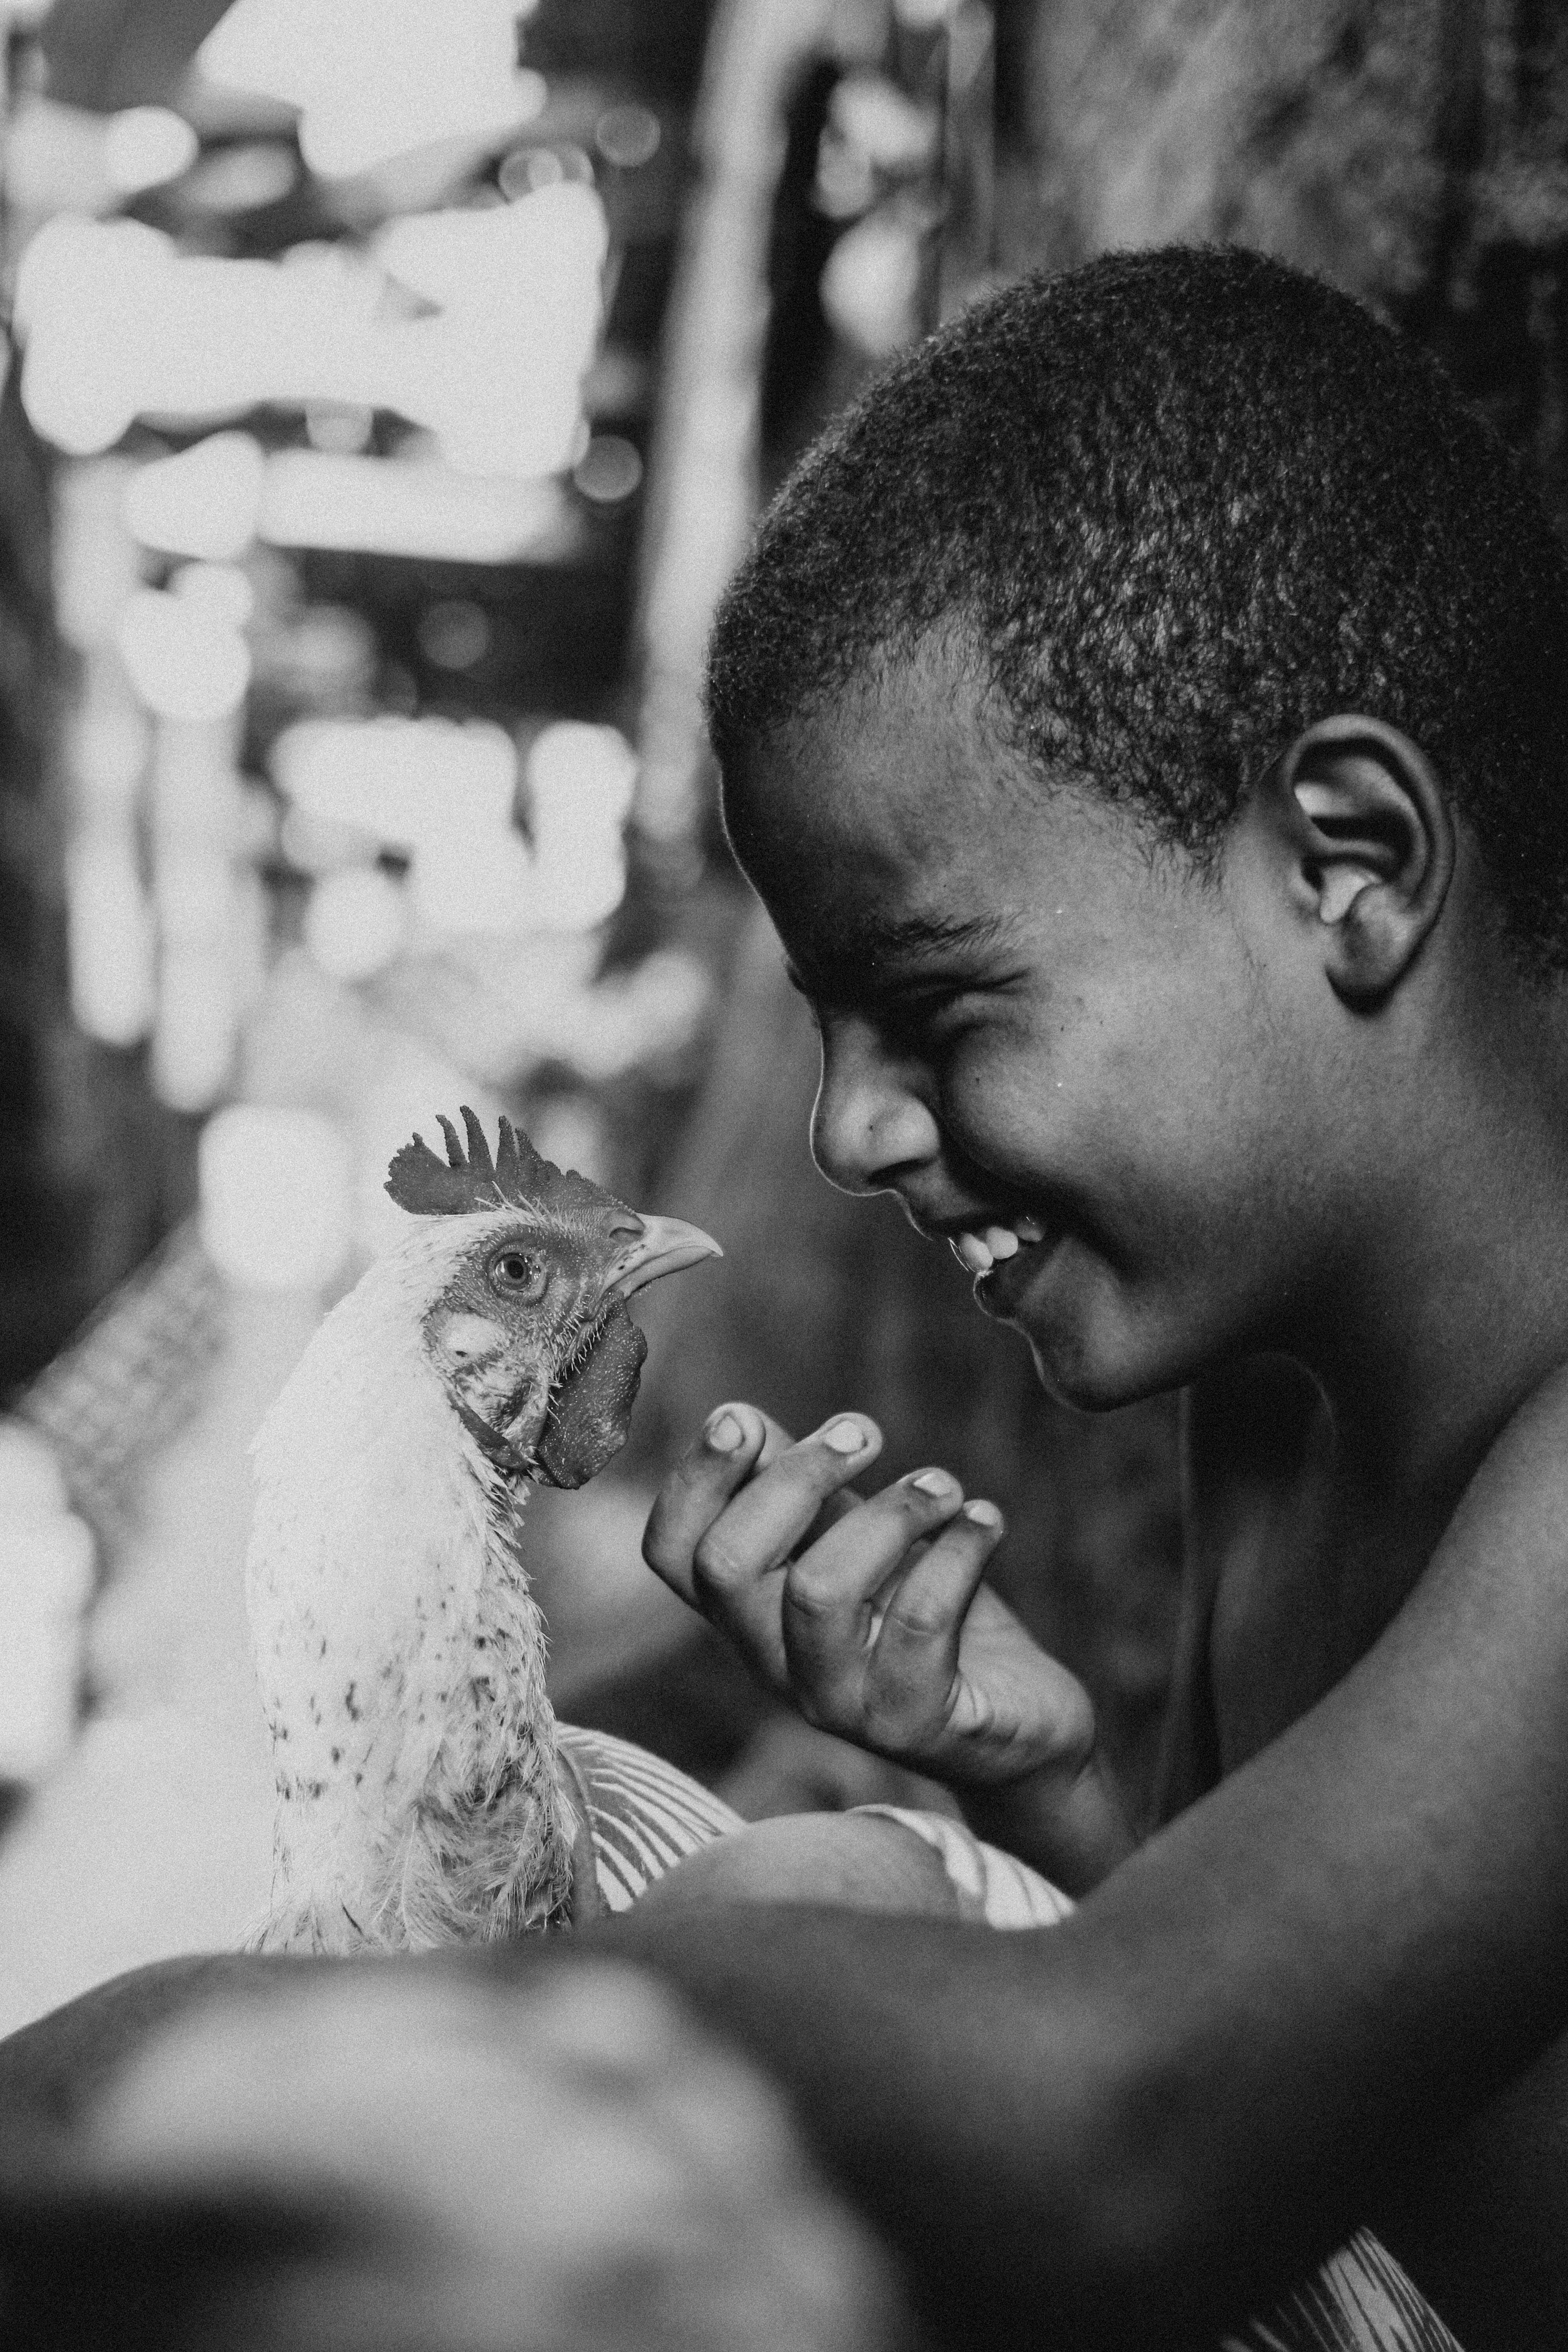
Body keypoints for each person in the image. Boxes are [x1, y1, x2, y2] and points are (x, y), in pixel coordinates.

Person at [8, 244, 1568, 2348]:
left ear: (1351, 867)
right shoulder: (1282, 1405)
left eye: (934, 1009)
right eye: (831, 1033)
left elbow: (1120, 2139)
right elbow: (1335, 2091)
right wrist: (1049, 1793)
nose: (849, 1135)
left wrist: (486, 1982)